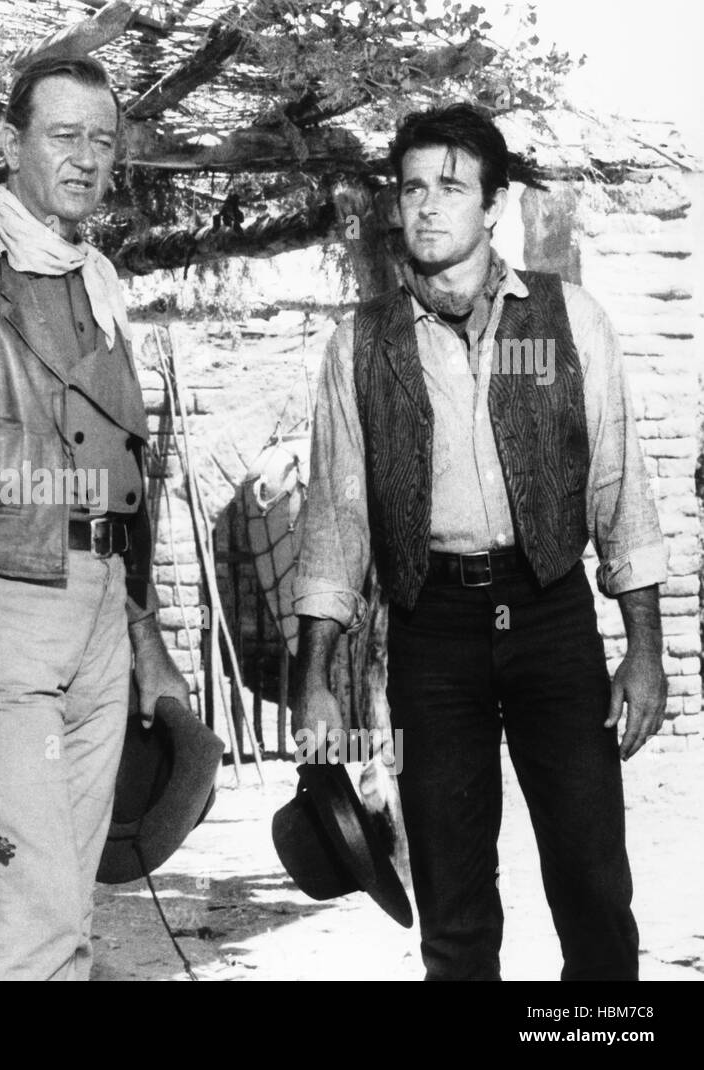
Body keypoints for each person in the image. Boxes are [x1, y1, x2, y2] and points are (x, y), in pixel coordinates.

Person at [292, 103, 668, 980]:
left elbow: (621, 490)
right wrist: (313, 679)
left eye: (451, 188)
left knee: (594, 894)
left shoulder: (571, 321)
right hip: (434, 633)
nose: (427, 206)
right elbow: (336, 524)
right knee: (455, 912)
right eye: (412, 188)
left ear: (493, 205)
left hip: (551, 618)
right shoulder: (360, 345)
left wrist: (644, 651)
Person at [0, 55, 190, 981]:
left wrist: (145, 636)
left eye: (103, 140)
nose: (86, 158)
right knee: (33, 911)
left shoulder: (100, 286)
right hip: (0, 612)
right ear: (11, 145)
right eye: (64, 135)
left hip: (98, 611)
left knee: (71, 898)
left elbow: (125, 481)